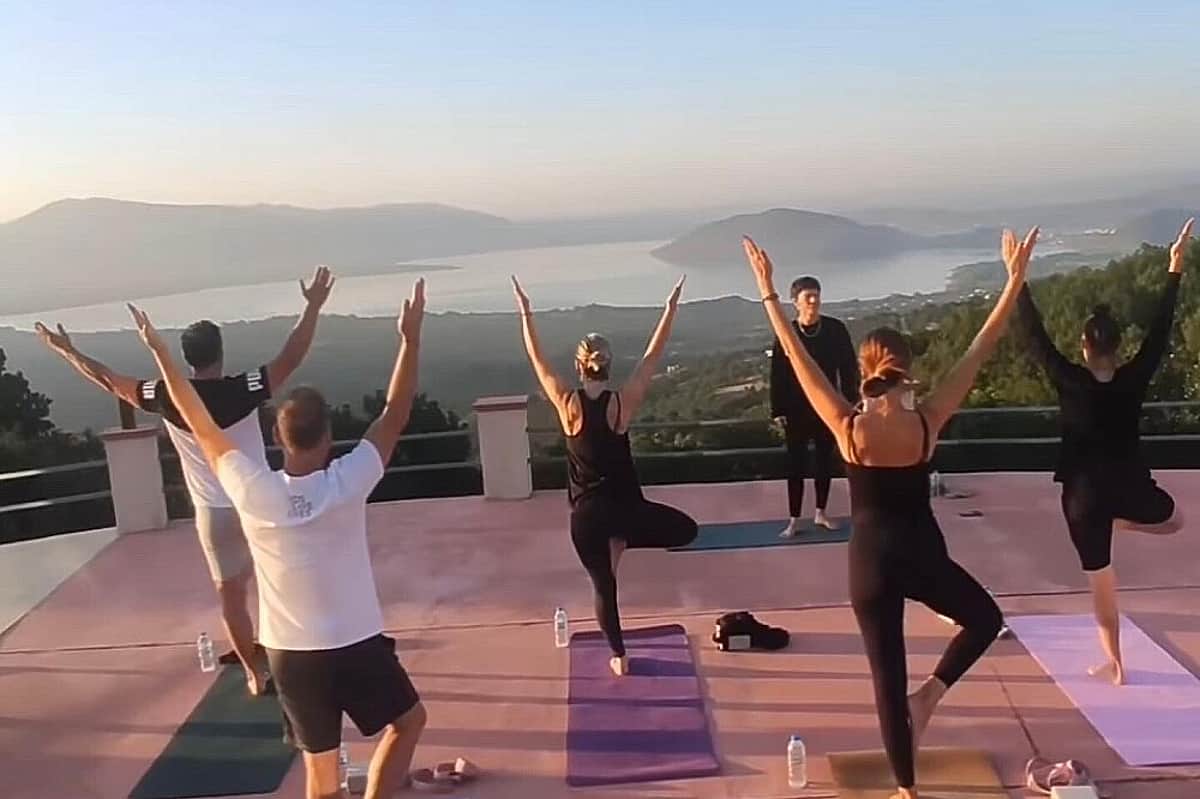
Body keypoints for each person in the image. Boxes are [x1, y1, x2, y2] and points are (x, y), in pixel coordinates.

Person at [743, 228, 1039, 799]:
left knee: (886, 680)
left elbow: (799, 359)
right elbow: (981, 346)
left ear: (863, 369)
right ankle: (930, 696)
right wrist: (1013, 282)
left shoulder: (849, 427)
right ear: (906, 369)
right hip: (924, 555)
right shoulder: (927, 421)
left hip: (870, 564)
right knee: (982, 618)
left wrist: (768, 293)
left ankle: (906, 789)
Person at [126, 279, 428, 799]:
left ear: (275, 437)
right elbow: (394, 414)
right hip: (356, 643)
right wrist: (410, 339)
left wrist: (159, 353)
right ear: (329, 436)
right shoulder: (348, 481)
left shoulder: (251, 489)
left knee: (320, 772)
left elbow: (197, 419)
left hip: (290, 653)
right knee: (409, 722)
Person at [36, 266, 335, 696]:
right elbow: (292, 355)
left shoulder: (167, 395)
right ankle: (298, 651)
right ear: (220, 353)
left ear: (188, 357)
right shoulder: (243, 387)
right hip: (257, 502)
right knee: (279, 577)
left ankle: (255, 673)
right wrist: (313, 307)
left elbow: (106, 377)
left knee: (230, 592)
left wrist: (67, 350)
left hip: (212, 512)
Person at [1015, 218, 1191, 686]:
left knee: (1103, 586)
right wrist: (1174, 269)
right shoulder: (1133, 379)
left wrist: (1018, 276)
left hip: (1083, 498)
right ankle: (1122, 523)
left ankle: (1115, 665)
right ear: (1118, 346)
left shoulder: (1070, 381)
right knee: (1175, 520)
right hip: (1130, 488)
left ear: (1084, 345)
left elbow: (1035, 338)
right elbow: (1159, 333)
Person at [512, 274, 698, 677]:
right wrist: (669, 310)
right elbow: (651, 358)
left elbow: (538, 360)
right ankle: (625, 539)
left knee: (603, 585)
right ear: (609, 366)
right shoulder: (620, 404)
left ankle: (619, 655)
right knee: (686, 531)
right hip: (626, 510)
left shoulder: (567, 405)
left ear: (579, 367)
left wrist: (526, 313)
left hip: (587, 518)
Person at [769, 275, 859, 536]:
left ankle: (821, 512)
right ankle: (794, 518)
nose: (813, 301)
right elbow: (778, 374)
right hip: (796, 408)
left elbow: (848, 367)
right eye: (807, 297)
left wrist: (850, 402)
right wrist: (779, 409)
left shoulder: (835, 329)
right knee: (795, 463)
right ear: (795, 302)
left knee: (824, 461)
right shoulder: (787, 334)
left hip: (828, 406)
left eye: (816, 295)